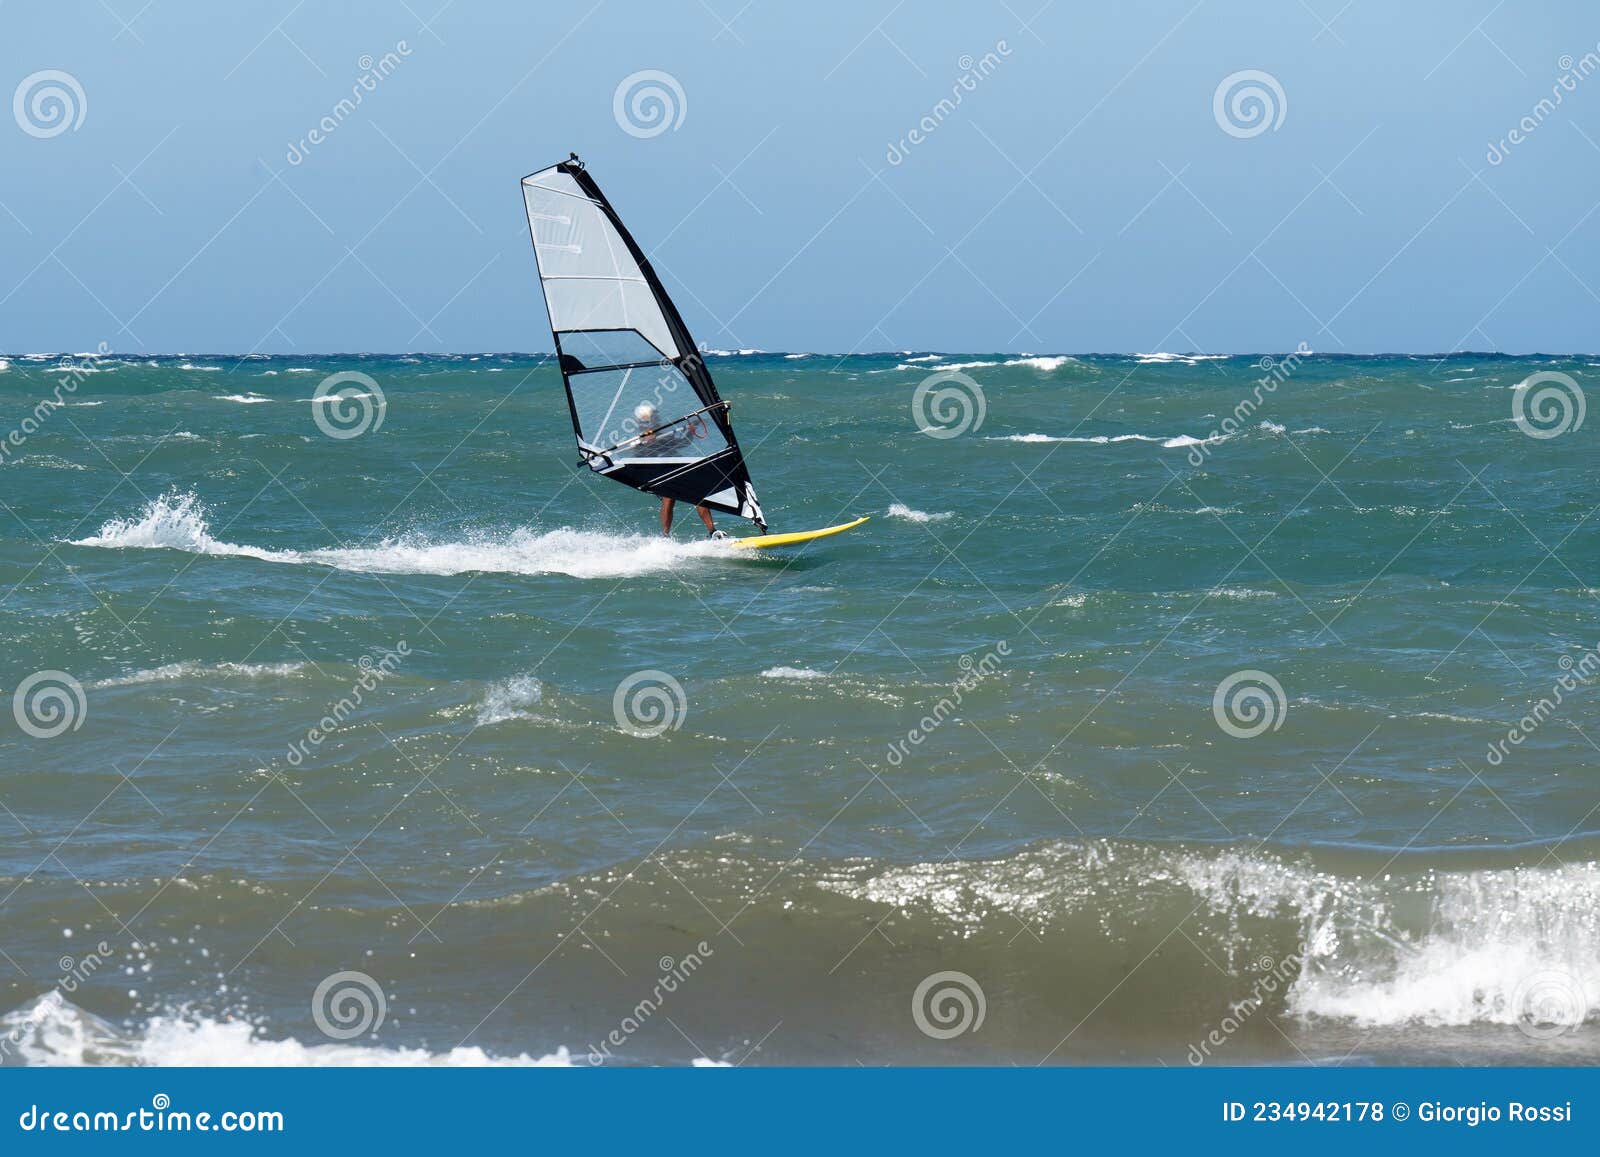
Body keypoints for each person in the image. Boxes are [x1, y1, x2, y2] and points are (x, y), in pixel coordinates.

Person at [633, 402, 727, 539]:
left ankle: (713, 532)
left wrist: (691, 429)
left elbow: (683, 443)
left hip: (676, 468)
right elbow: (639, 457)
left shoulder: (661, 433)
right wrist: (647, 441)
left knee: (699, 494)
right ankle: (665, 536)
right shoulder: (640, 438)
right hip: (658, 474)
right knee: (669, 497)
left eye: (656, 416)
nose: (656, 419)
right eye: (653, 416)